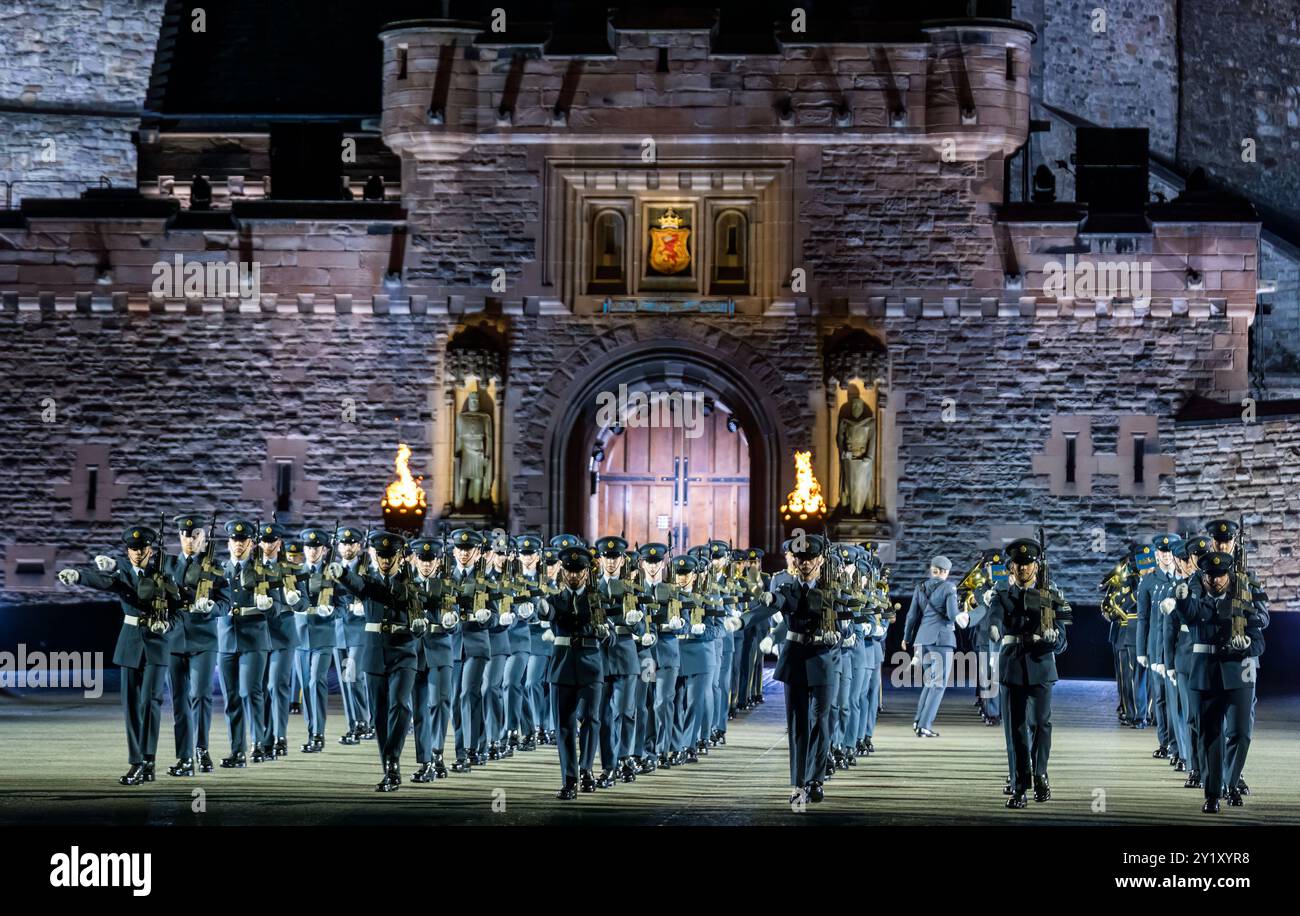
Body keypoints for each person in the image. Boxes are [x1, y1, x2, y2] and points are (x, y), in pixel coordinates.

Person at [58, 525, 185, 784]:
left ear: (150, 549)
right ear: (127, 551)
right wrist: (78, 576)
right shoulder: (122, 572)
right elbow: (102, 581)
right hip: (130, 643)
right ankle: (136, 761)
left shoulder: (165, 574)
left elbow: (180, 612)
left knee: (150, 703)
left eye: (142, 549)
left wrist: (169, 624)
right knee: (131, 708)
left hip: (156, 643)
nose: (137, 554)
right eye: (132, 550)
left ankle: (147, 761)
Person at [1171, 548, 1265, 813]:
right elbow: (1186, 614)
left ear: (1228, 575)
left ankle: (1232, 783)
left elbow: (1259, 641)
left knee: (1240, 734)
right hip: (1206, 673)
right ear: (1203, 577)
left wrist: (1246, 644)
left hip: (1240, 672)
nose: (1215, 580)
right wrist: (1181, 599)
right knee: (1210, 735)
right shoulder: (1196, 599)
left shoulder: (1243, 599)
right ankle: (1213, 792)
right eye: (1210, 576)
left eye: (1220, 575)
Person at [329, 531, 423, 791]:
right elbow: (356, 584)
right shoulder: (369, 582)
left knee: (401, 706)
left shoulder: (412, 582)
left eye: (389, 556)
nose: (384, 560)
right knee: (379, 716)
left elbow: (419, 613)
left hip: (403, 651)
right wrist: (341, 573)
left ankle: (393, 759)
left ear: (399, 557)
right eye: (380, 556)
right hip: (375, 654)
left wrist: (419, 625)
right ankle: (389, 770)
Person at [984, 538, 1069, 809]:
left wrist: (1052, 637)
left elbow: (1063, 641)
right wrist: (995, 629)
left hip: (1041, 663)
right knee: (1017, 729)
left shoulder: (1049, 595)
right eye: (1018, 565)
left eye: (1028, 564)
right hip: (1012, 666)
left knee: (1041, 725)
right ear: (1011, 568)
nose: (1023, 569)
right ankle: (1020, 786)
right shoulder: (1002, 594)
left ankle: (1040, 772)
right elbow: (995, 616)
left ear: (1036, 566)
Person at [536, 546, 609, 799]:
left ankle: (587, 769)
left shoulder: (597, 599)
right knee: (564, 725)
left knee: (591, 719)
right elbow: (548, 613)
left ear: (587, 573)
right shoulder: (556, 599)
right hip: (563, 666)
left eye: (578, 571)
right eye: (569, 570)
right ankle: (569, 779)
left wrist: (605, 630)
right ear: (562, 571)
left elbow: (605, 625)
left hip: (591, 664)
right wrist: (541, 603)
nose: (574, 575)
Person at [164, 512, 224, 775]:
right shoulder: (167, 565)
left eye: (196, 535)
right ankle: (184, 757)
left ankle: (202, 748)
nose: (190, 540)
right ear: (179, 537)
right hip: (175, 639)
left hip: (204, 639)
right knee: (179, 701)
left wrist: (211, 606)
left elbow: (226, 601)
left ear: (204, 537)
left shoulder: (215, 566)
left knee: (200, 695)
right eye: (186, 535)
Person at [903, 556, 964, 737]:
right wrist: (964, 614)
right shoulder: (949, 587)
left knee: (929, 683)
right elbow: (953, 615)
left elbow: (912, 616)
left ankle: (918, 721)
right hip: (941, 641)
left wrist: (906, 638)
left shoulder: (920, 587)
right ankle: (924, 725)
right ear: (945, 572)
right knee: (938, 685)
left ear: (932, 570)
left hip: (922, 640)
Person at [294, 528, 341, 753]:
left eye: (317, 548)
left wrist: (331, 610)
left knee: (316, 681)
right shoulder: (295, 573)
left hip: (323, 636)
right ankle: (311, 730)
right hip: (301, 636)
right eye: (309, 547)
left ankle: (318, 733)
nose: (313, 551)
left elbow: (344, 604)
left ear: (324, 550)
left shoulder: (333, 573)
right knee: (305, 684)